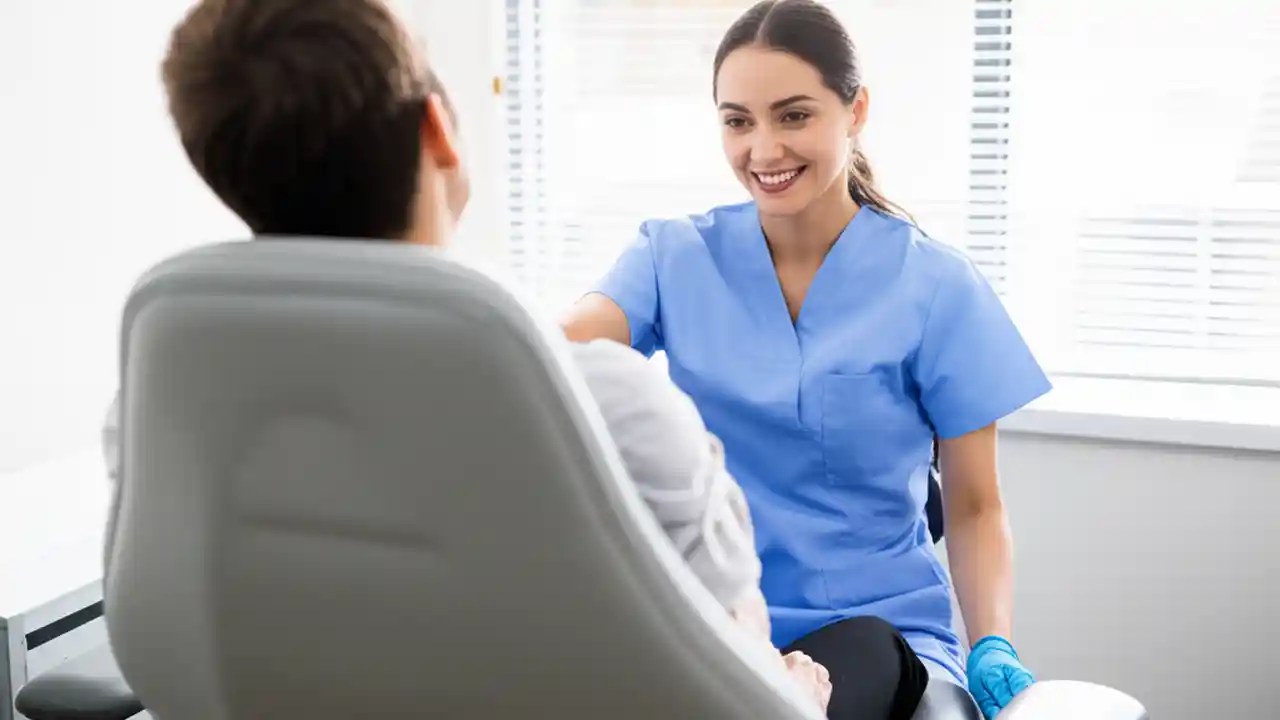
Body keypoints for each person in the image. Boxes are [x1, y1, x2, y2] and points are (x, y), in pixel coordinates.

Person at [99, 0, 834, 713]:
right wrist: (796, 696)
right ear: (439, 129)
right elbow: (739, 688)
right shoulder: (611, 408)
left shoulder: (164, 402)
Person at [562, 1, 1052, 718]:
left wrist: (992, 644)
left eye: (793, 116)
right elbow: (550, 353)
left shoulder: (935, 286)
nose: (763, 150)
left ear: (855, 112)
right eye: (738, 121)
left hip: (891, 638)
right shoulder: (673, 257)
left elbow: (975, 506)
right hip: (719, 625)